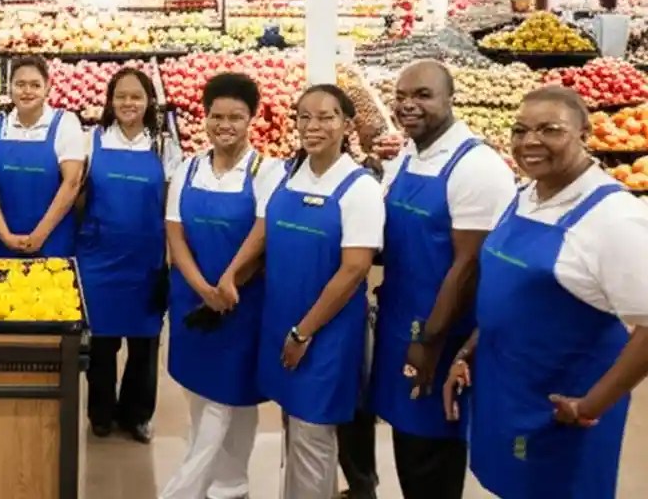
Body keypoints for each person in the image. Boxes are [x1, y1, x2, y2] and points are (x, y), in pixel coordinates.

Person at [443, 86, 648, 499]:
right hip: (507, 389)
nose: (530, 141)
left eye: (549, 129)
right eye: (520, 130)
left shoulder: (615, 219)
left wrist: (590, 405)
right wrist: (468, 350)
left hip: (561, 405)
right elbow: (512, 294)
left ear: (584, 134)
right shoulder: (524, 196)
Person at [220, 84, 385, 499]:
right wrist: (232, 274)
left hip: (324, 332)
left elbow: (354, 270)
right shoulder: (286, 174)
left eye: (326, 117)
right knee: (294, 425)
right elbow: (262, 234)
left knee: (314, 431)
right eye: (304, 117)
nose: (313, 126)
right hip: (280, 319)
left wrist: (303, 333)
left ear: (347, 124)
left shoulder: (359, 188)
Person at [369, 60, 516, 499]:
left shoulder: (476, 167)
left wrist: (431, 340)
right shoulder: (412, 155)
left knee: (433, 448)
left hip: (442, 331)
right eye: (401, 96)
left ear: (451, 99)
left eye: (423, 95)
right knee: (409, 443)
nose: (408, 105)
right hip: (400, 316)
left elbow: (469, 266)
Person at [159, 73, 282, 499]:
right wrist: (203, 288)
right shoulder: (187, 169)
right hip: (193, 299)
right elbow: (175, 233)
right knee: (202, 397)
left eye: (235, 116)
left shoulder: (267, 171)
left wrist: (229, 280)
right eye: (216, 116)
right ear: (204, 117)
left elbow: (264, 232)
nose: (224, 125)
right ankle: (231, 485)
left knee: (226, 398)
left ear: (251, 118)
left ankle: (183, 491)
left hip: (240, 305)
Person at [79, 67, 181, 444]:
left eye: (136, 96)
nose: (128, 103)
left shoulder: (163, 145)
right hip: (99, 258)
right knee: (101, 344)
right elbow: (76, 195)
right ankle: (101, 413)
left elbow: (172, 206)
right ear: (110, 101)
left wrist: (170, 258)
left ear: (149, 101)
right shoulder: (92, 141)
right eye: (120, 96)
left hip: (146, 261)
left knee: (144, 343)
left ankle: (137, 414)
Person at [0, 56, 85, 257]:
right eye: (20, 84)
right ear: (9, 87)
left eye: (35, 85)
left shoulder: (66, 124)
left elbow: (71, 183)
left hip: (52, 240)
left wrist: (39, 235)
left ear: (47, 87)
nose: (27, 91)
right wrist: (5, 235)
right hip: (0, 241)